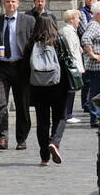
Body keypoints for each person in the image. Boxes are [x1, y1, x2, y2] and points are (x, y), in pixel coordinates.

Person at [0, 0, 34, 150]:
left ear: (18, 3)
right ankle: (2, 138)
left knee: (22, 105)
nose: (11, 4)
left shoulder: (28, 21)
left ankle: (21, 139)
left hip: (21, 67)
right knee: (0, 104)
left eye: (13, 2)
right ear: (3, 4)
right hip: (2, 68)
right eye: (8, 2)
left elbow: (35, 43)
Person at [22, 14, 69, 165]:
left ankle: (44, 157)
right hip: (58, 86)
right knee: (60, 117)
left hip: (37, 87)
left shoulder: (31, 43)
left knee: (42, 121)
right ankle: (54, 142)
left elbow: (24, 66)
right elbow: (67, 61)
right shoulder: (58, 41)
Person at [81, 1, 100, 129]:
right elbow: (85, 39)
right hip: (97, 66)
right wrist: (92, 54)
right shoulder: (93, 25)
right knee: (96, 91)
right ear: (98, 14)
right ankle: (95, 116)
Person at [60, 9, 84, 124]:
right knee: (70, 90)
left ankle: (68, 113)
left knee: (71, 90)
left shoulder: (70, 31)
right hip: (72, 66)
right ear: (71, 20)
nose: (79, 20)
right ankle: (67, 114)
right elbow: (71, 51)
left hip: (72, 65)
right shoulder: (68, 32)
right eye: (77, 18)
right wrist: (77, 68)